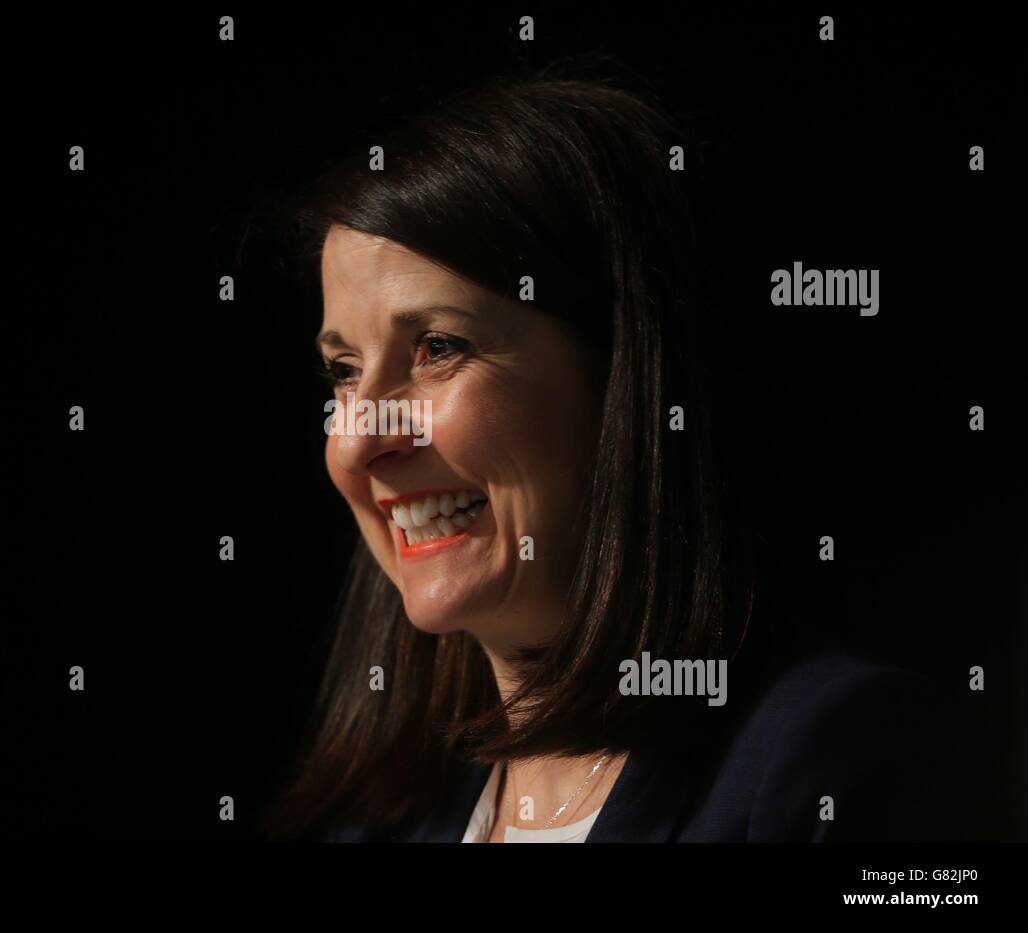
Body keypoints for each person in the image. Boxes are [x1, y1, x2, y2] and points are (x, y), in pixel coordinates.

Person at [261, 69, 956, 843]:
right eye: (345, 371)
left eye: (436, 347)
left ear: (624, 376)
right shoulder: (373, 820)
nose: (359, 439)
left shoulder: (826, 759)